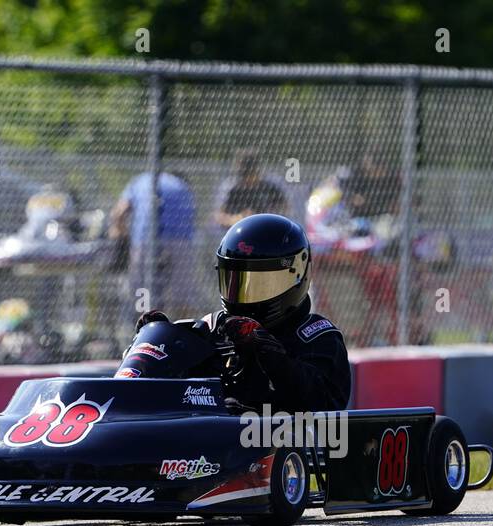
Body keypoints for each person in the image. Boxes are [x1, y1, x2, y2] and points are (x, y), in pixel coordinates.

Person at [135, 213, 350, 413]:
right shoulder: (215, 328)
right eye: (236, 283)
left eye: (261, 285)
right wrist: (158, 344)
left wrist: (271, 356)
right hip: (205, 442)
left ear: (297, 275)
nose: (245, 297)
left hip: (275, 443)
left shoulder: (316, 337)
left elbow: (322, 407)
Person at [109, 169, 195, 322]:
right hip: (181, 241)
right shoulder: (179, 184)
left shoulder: (138, 182)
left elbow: (119, 214)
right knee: (181, 294)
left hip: (145, 239)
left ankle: (142, 333)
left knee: (142, 292)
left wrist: (122, 237)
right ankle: (184, 334)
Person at [212, 150, 289, 228]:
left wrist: (265, 216)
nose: (248, 181)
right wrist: (239, 219)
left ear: (258, 171)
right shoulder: (232, 187)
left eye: (252, 175)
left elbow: (285, 208)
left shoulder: (269, 186)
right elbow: (219, 217)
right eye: (244, 176)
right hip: (239, 233)